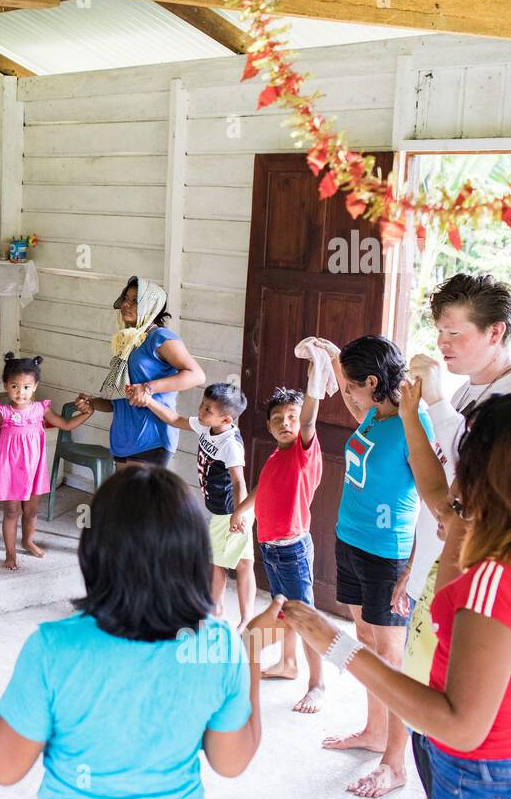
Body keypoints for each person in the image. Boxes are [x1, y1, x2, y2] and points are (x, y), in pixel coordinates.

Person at [278, 392, 511, 799]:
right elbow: (442, 503)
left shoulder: (494, 583)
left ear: (500, 479)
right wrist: (460, 512)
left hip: (493, 788)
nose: (457, 475)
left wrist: (335, 644)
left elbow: (457, 723)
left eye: (470, 458)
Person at [0, 466, 269, 799]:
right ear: (194, 555)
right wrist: (250, 656)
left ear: (94, 552)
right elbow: (231, 762)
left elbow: (4, 765)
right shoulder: (219, 646)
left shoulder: (52, 648)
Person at [391, 274, 511, 799]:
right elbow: (443, 491)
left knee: (457, 725)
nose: (442, 344)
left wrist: (433, 406)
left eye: (454, 333)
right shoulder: (468, 390)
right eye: (439, 331)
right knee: (423, 718)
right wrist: (418, 564)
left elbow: (471, 490)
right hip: (444, 569)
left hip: (483, 586)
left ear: (495, 331)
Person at [317, 334, 443, 799]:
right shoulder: (377, 412)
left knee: (392, 661)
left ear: (373, 382)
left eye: (351, 386)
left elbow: (435, 500)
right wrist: (333, 360)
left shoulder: (415, 422)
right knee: (366, 643)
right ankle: (373, 732)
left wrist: (413, 567)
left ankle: (395, 763)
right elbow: (358, 414)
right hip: (350, 540)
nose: (347, 395)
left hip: (387, 555)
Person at [228, 373, 325, 713]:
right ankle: (288, 663)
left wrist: (316, 376)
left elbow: (311, 417)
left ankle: (317, 683)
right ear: (269, 427)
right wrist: (241, 510)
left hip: (292, 550)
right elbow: (261, 488)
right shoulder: (275, 456)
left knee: (306, 617)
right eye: (278, 419)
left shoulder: (303, 453)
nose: (286, 423)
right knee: (285, 610)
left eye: (292, 418)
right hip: (271, 548)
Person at [132, 381, 256, 623]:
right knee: (243, 562)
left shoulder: (230, 444)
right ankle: (243, 618)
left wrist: (238, 514)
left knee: (217, 563)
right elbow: (175, 419)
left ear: (227, 420)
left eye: (208, 410)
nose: (201, 411)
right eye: (203, 405)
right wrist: (149, 401)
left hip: (230, 512)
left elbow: (239, 481)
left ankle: (216, 611)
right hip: (233, 511)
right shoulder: (205, 426)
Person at [0, 353, 92, 570]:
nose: (21, 392)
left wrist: (87, 414)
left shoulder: (40, 409)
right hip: (9, 470)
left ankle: (27, 541)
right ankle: (10, 553)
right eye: (15, 386)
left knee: (32, 510)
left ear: (35, 386)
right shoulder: (3, 412)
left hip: (33, 470)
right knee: (11, 512)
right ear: (6, 385)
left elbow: (65, 425)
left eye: (26, 386)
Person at [74, 276, 206, 467]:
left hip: (151, 437)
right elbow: (119, 401)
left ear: (152, 306)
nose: (126, 305)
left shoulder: (159, 337)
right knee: (125, 497)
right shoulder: (127, 342)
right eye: (126, 299)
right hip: (123, 439)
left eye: (136, 301)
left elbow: (197, 375)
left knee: (140, 497)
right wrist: (91, 403)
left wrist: (149, 387)